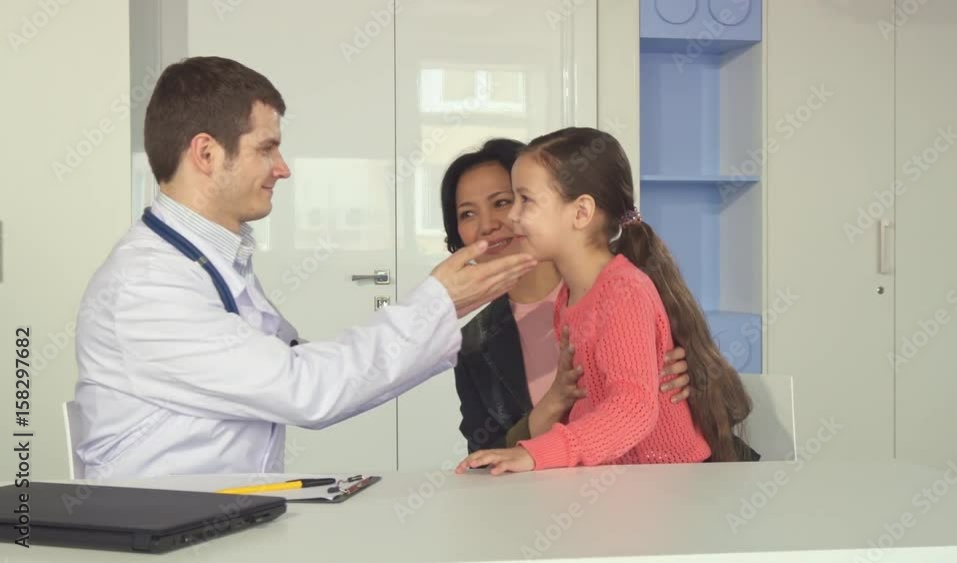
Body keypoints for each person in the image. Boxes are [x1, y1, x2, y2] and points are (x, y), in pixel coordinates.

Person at [72, 56, 536, 480]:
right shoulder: (145, 287)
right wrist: (439, 301)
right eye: (267, 148)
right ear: (207, 154)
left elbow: (304, 368)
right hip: (167, 526)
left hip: (213, 512)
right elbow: (305, 388)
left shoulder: (209, 261)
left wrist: (440, 309)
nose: (283, 168)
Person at [455, 127, 754, 475]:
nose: (510, 218)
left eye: (523, 200)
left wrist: (538, 454)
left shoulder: (622, 291)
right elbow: (591, 404)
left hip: (667, 484)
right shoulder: (570, 296)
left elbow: (632, 409)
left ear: (581, 213)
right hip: (615, 480)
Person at [440, 139, 693, 455]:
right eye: (467, 213)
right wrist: (549, 409)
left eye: (505, 202)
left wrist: (695, 375)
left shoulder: (619, 288)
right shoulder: (473, 343)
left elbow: (685, 404)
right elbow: (486, 457)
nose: (490, 225)